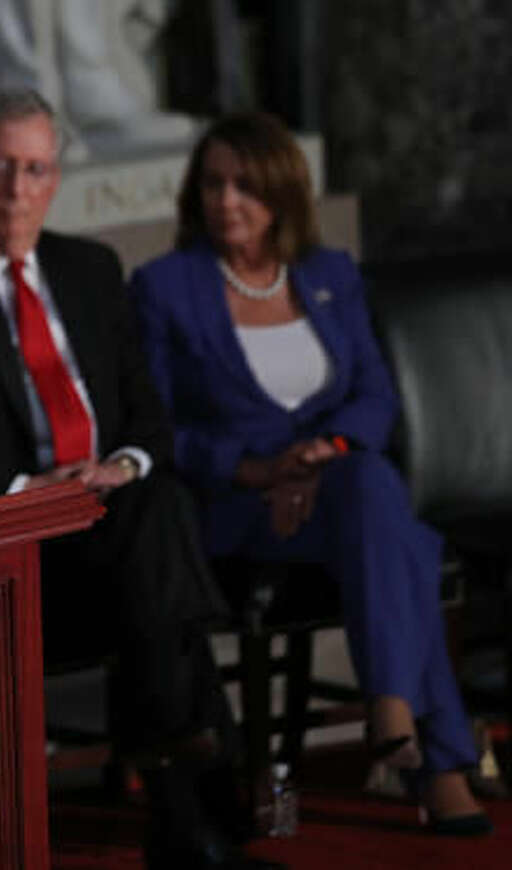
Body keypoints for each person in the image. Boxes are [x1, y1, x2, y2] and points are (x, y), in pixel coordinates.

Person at [0, 88, 277, 869]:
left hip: (113, 523)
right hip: (12, 536)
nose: (17, 189)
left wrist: (119, 467)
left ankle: (184, 808)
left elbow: (147, 424)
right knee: (160, 529)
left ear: (56, 179)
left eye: (34, 169)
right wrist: (32, 487)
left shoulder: (91, 269)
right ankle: (200, 779)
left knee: (151, 499)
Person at [130, 112, 491, 836]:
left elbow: (376, 396)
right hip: (236, 506)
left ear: (283, 193)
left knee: (372, 491)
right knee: (397, 520)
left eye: (246, 185)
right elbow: (159, 425)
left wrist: (323, 454)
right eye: (213, 183)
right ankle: (430, 752)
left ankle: (411, 724)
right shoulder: (166, 287)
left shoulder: (329, 275)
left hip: (334, 491)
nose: (226, 200)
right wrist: (258, 469)